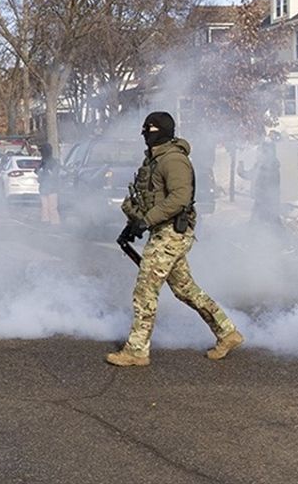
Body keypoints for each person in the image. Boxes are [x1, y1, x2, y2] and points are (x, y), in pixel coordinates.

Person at [107, 112, 242, 367]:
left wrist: (147, 220)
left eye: (150, 128)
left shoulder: (174, 160)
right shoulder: (154, 159)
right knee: (185, 289)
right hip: (162, 231)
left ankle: (136, 350)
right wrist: (133, 225)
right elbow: (148, 199)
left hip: (171, 233)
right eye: (145, 128)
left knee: (145, 290)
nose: (145, 133)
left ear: (163, 131)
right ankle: (227, 332)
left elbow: (180, 198)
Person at [239, 136, 281, 228]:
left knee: (268, 222)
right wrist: (241, 170)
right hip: (260, 200)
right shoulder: (260, 165)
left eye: (261, 151)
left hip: (267, 201)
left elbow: (270, 186)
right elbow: (250, 175)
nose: (258, 154)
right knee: (259, 223)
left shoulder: (270, 167)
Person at [37, 142, 60, 225]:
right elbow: (38, 172)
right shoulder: (43, 162)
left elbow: (55, 175)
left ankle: (53, 223)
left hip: (52, 188)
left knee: (51, 207)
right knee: (45, 207)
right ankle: (46, 222)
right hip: (45, 188)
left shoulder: (52, 162)